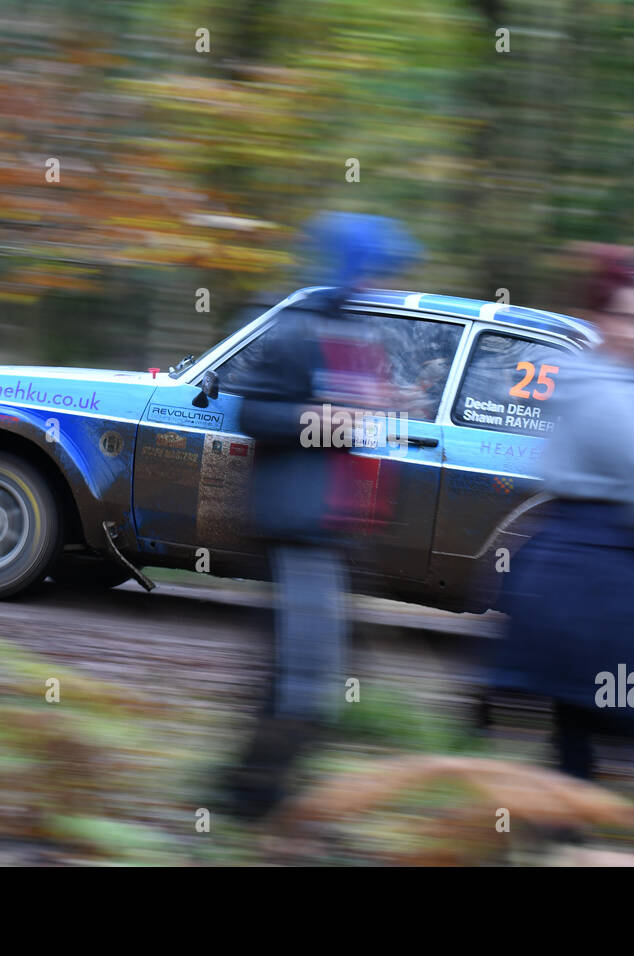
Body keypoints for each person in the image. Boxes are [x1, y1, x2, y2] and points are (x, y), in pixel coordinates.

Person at [484, 253, 634, 844]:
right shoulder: (632, 396)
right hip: (607, 576)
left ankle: (560, 836)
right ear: (607, 320)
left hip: (555, 564)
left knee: (572, 725)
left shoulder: (580, 381)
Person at [220, 212, 418, 820]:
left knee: (310, 674)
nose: (382, 284)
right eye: (376, 271)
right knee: (306, 679)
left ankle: (257, 795)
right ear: (347, 269)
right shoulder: (294, 327)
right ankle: (252, 802)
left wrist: (386, 406)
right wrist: (334, 422)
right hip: (297, 528)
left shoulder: (354, 331)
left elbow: (350, 412)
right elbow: (251, 413)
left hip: (336, 528)